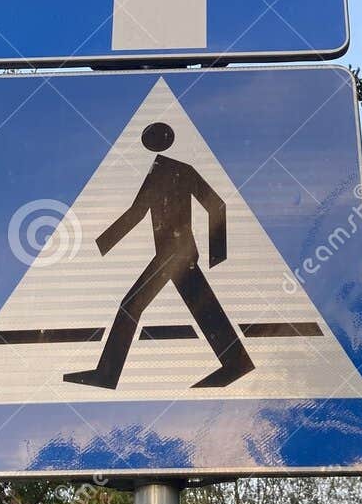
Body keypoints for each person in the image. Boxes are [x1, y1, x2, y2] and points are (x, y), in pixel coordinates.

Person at [63, 121, 255, 390]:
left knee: (131, 305)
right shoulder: (161, 170)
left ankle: (107, 374)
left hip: (174, 252)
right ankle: (237, 362)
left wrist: (218, 256)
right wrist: (99, 245)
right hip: (174, 252)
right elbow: (138, 212)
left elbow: (216, 205)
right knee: (203, 307)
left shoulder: (168, 170)